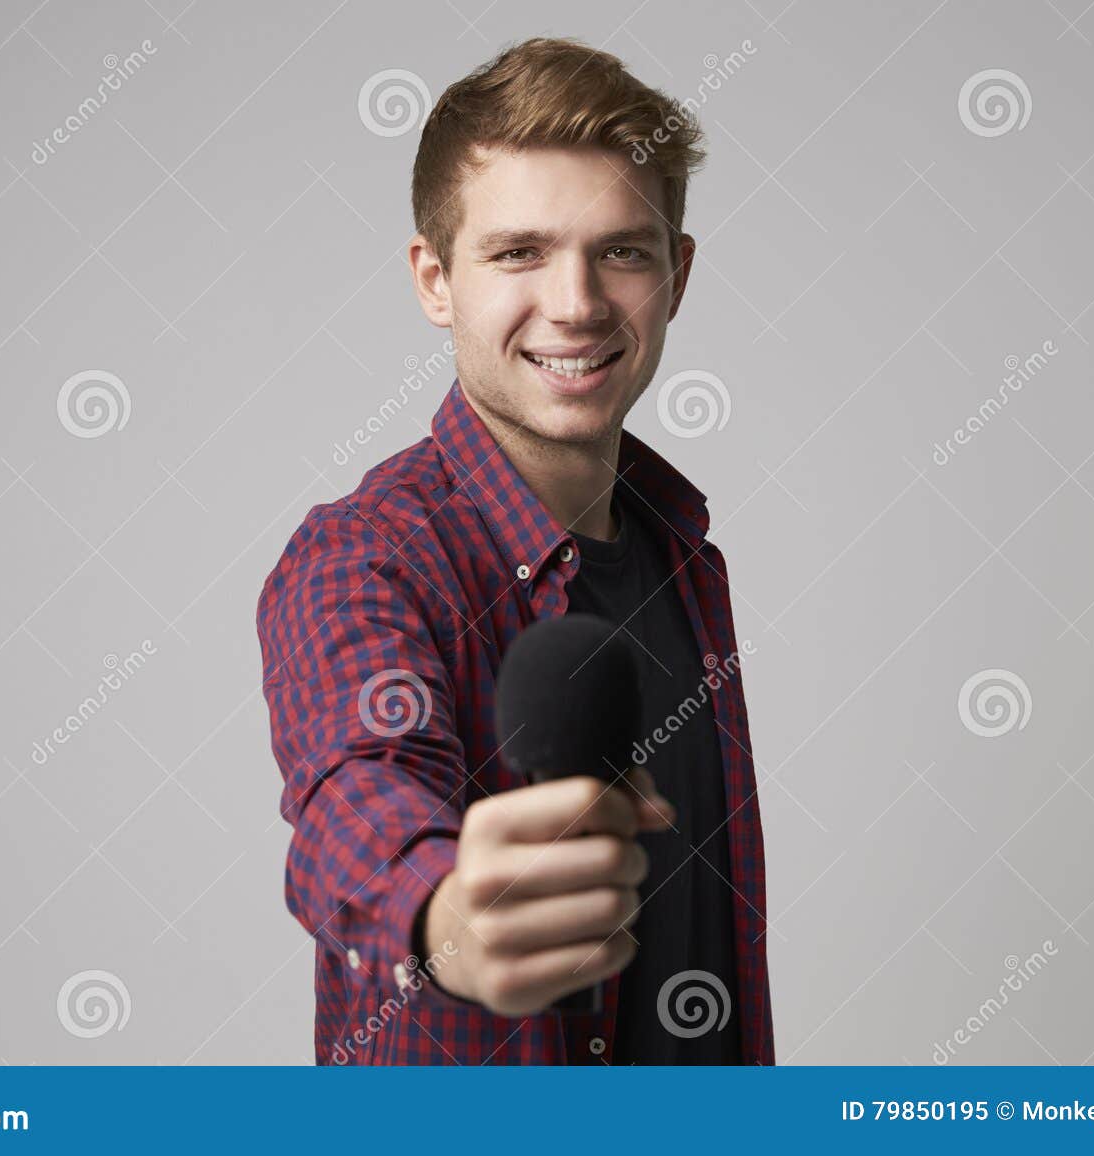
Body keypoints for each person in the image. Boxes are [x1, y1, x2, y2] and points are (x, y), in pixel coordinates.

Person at [256, 36, 772, 1064]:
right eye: (518, 252)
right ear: (435, 279)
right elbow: (355, 800)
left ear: (676, 274)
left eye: (621, 250)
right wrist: (451, 919)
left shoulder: (680, 552)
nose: (576, 303)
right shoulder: (365, 557)